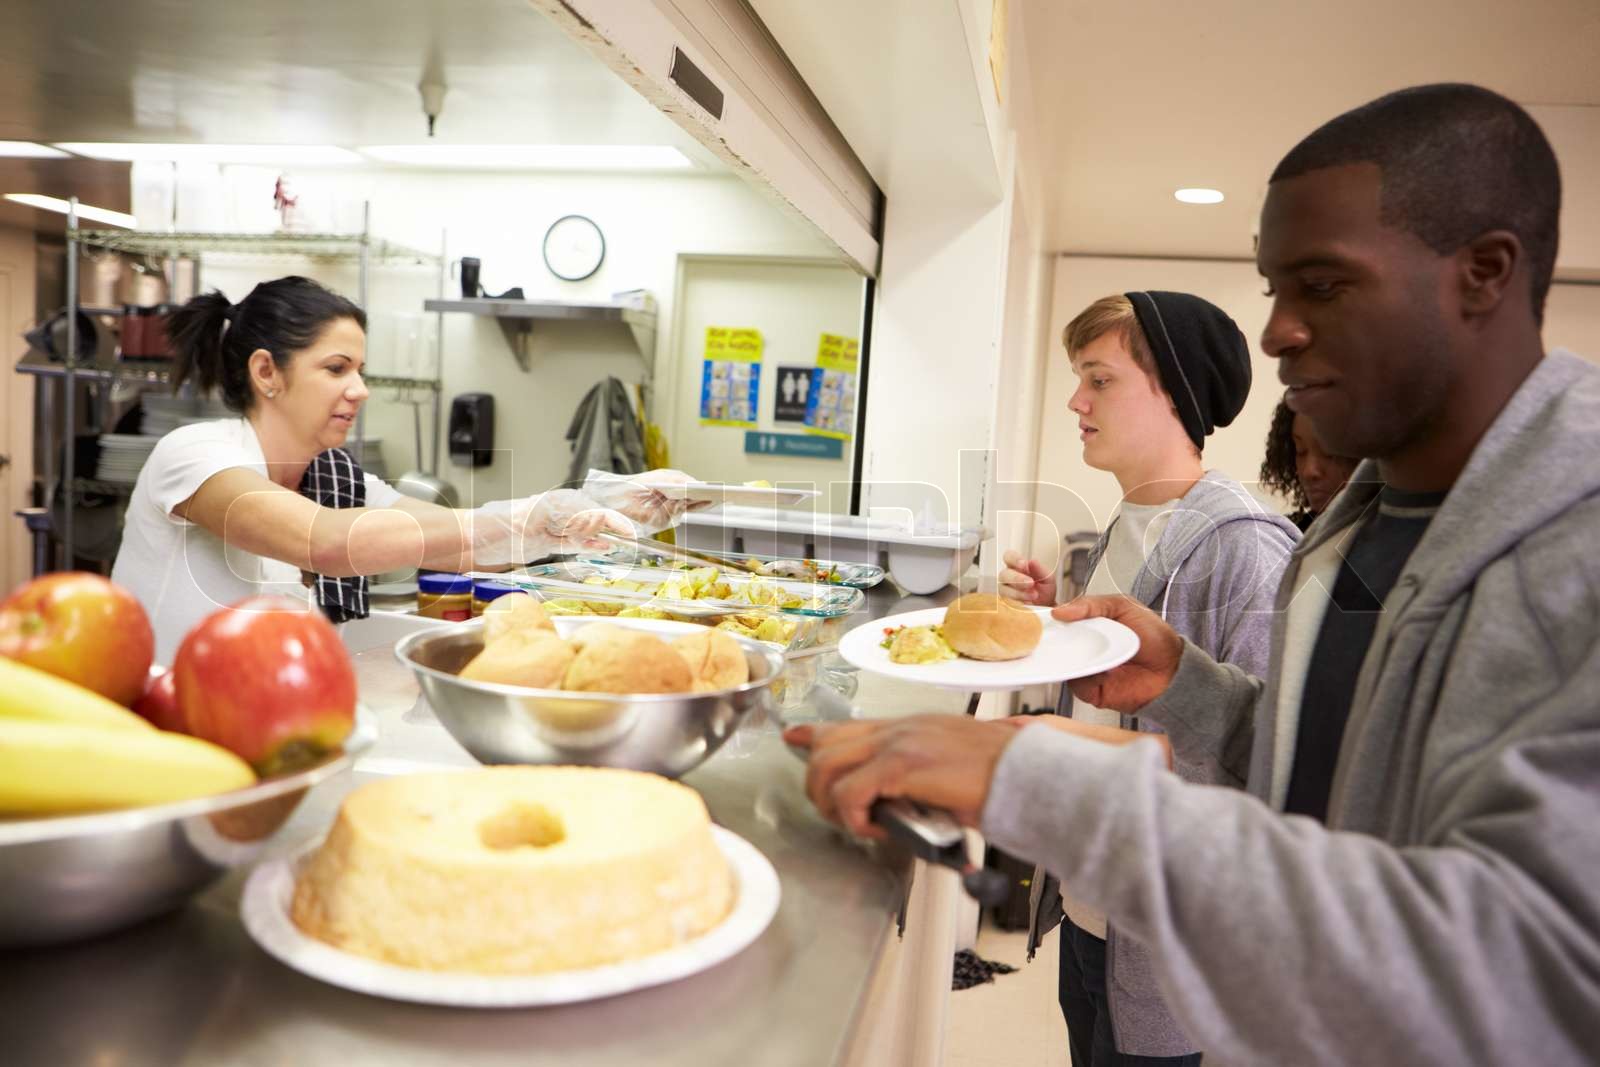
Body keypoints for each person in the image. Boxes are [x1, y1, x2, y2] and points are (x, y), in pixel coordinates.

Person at [791, 84, 1600, 1065]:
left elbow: (1531, 972)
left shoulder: (1574, 546)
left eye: (1324, 284)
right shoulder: (1366, 518)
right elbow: (1326, 775)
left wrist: (1055, 784)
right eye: (1274, 290)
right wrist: (1193, 686)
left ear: (1483, 273)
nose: (1275, 334)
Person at [998, 292, 1298, 1066]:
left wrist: (1055, 749)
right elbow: (1137, 688)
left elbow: (1264, 758)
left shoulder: (1245, 544)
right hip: (1094, 908)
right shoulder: (1130, 522)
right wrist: (1054, 619)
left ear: (1174, 391)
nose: (1076, 399)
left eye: (1099, 378)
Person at [112, 276, 690, 661]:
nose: (359, 390)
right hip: (154, 729)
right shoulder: (194, 455)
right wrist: (531, 515)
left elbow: (455, 542)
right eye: (336, 369)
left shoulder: (337, 478)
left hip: (258, 717)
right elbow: (323, 541)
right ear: (267, 373)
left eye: (360, 370)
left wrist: (596, 507)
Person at [1259, 397, 1360, 529]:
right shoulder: (1286, 537)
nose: (1308, 471)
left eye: (1328, 452)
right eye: (1300, 450)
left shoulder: (1387, 539)